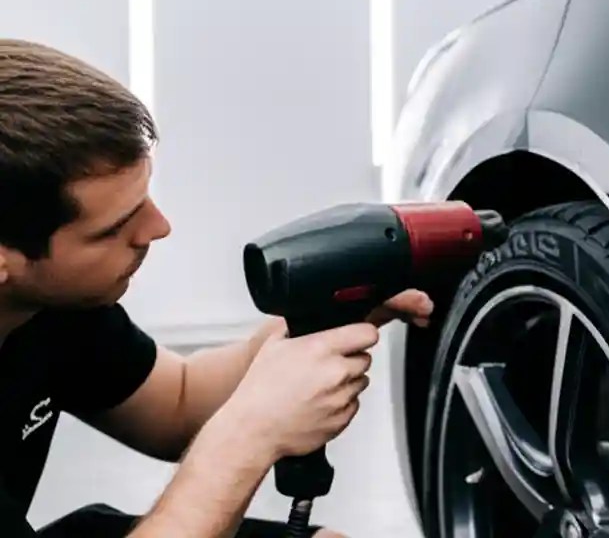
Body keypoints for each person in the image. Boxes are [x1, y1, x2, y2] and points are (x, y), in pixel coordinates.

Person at [0, 39, 434, 537]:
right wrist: (251, 432)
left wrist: (317, 322)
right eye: (113, 227)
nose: (158, 228)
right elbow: (232, 433)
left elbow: (179, 403)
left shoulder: (51, 309)